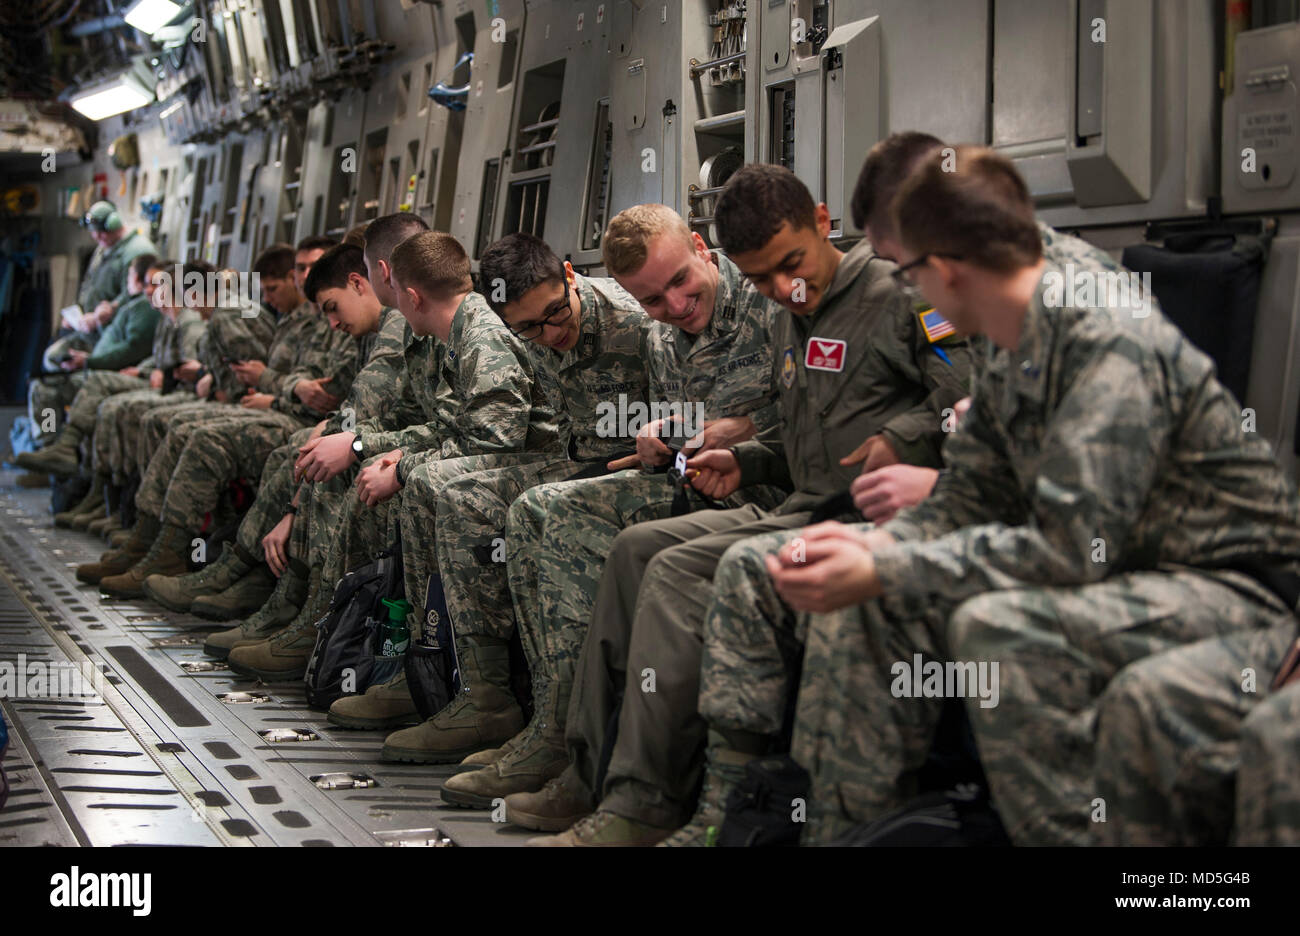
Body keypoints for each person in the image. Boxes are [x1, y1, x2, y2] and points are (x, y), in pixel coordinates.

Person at [762, 144, 1300, 845]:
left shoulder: (1104, 335)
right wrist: (881, 548)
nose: (909, 292)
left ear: (946, 268)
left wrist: (889, 563)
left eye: (906, 272)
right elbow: (969, 494)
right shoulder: (1013, 331)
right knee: (869, 599)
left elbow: (1072, 549)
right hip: (1128, 568)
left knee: (1002, 632)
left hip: (1228, 580)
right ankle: (843, 832)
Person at [527, 163, 971, 846]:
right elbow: (806, 442)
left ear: (824, 223)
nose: (781, 288)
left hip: (873, 512)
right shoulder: (796, 312)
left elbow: (968, 406)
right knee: (635, 549)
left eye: (789, 265)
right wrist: (746, 459)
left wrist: (902, 436)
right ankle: (589, 770)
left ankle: (670, 804)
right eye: (761, 280)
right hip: (804, 501)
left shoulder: (904, 297)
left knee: (678, 572)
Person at [439, 204, 780, 812]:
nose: (673, 307)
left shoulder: (769, 305)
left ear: (702, 249)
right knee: (529, 511)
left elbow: (815, 415)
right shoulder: (660, 333)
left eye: (679, 284)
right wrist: (663, 435)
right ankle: (548, 719)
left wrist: (736, 430)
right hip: (686, 480)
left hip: (763, 489)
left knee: (565, 512)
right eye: (652, 299)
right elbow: (679, 431)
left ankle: (583, 750)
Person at [226, 231, 563, 683]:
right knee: (373, 470)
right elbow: (448, 427)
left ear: (408, 294)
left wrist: (400, 465)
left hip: (531, 464)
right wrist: (370, 448)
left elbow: (491, 440)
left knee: (419, 484)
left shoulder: (480, 336)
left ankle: (432, 671)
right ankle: (334, 628)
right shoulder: (458, 330)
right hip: (500, 458)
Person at [28, 200, 156, 447]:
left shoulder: (136, 254)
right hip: (93, 333)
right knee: (49, 365)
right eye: (94, 233)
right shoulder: (102, 249)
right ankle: (50, 443)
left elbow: (133, 344)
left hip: (105, 336)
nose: (98, 237)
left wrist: (103, 318)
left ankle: (55, 445)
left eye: (101, 232)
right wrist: (78, 314)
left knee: (47, 383)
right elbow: (90, 285)